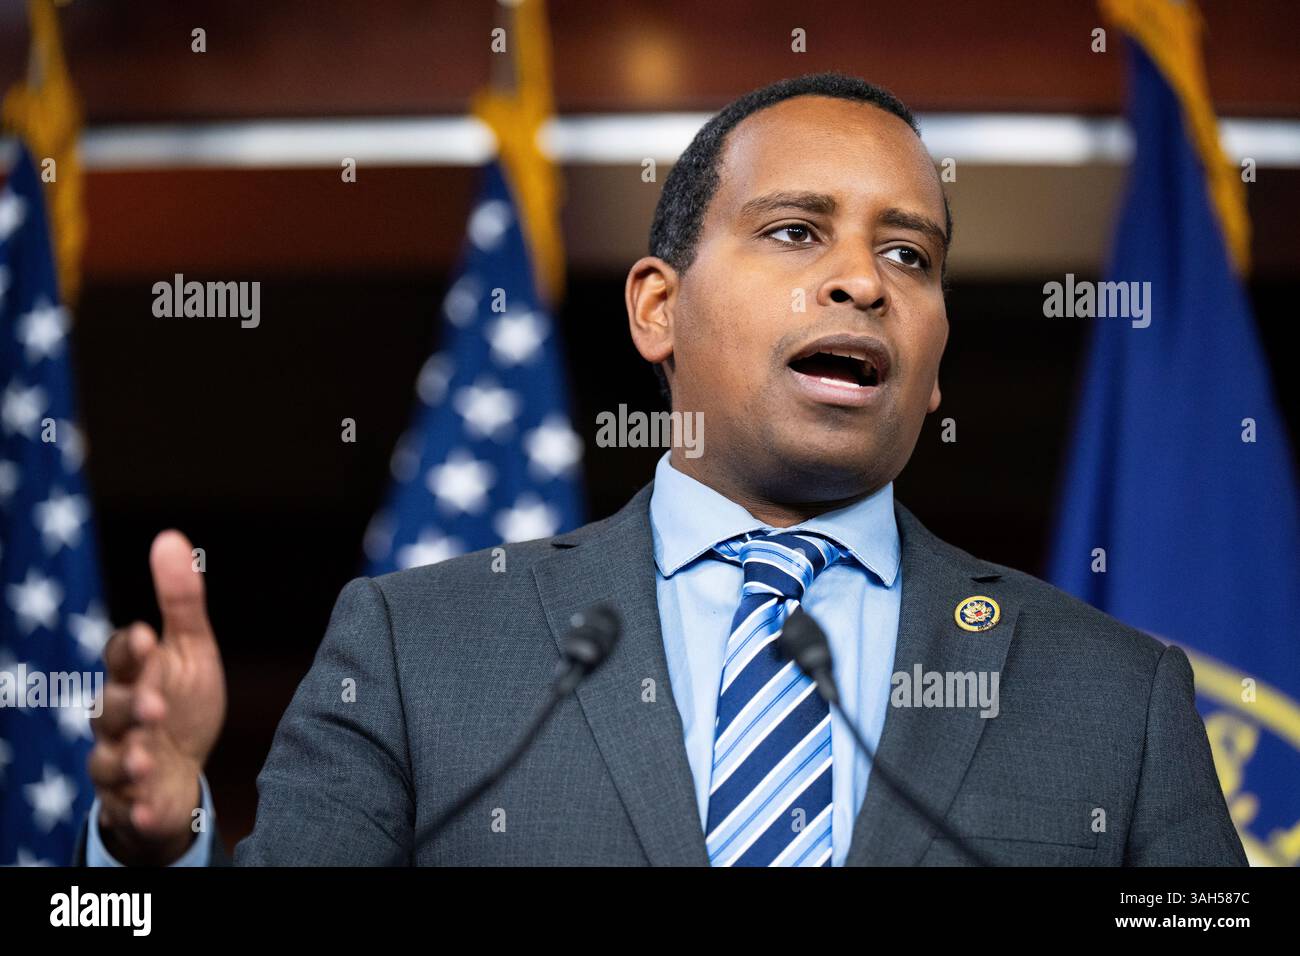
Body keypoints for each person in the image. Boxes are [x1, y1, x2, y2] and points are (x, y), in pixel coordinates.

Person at [80, 72, 1246, 867]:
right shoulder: (414, 646)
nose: (863, 281)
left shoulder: (1118, 696)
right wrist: (158, 839)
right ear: (657, 307)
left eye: (909, 253)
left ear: (935, 368)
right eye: (795, 231)